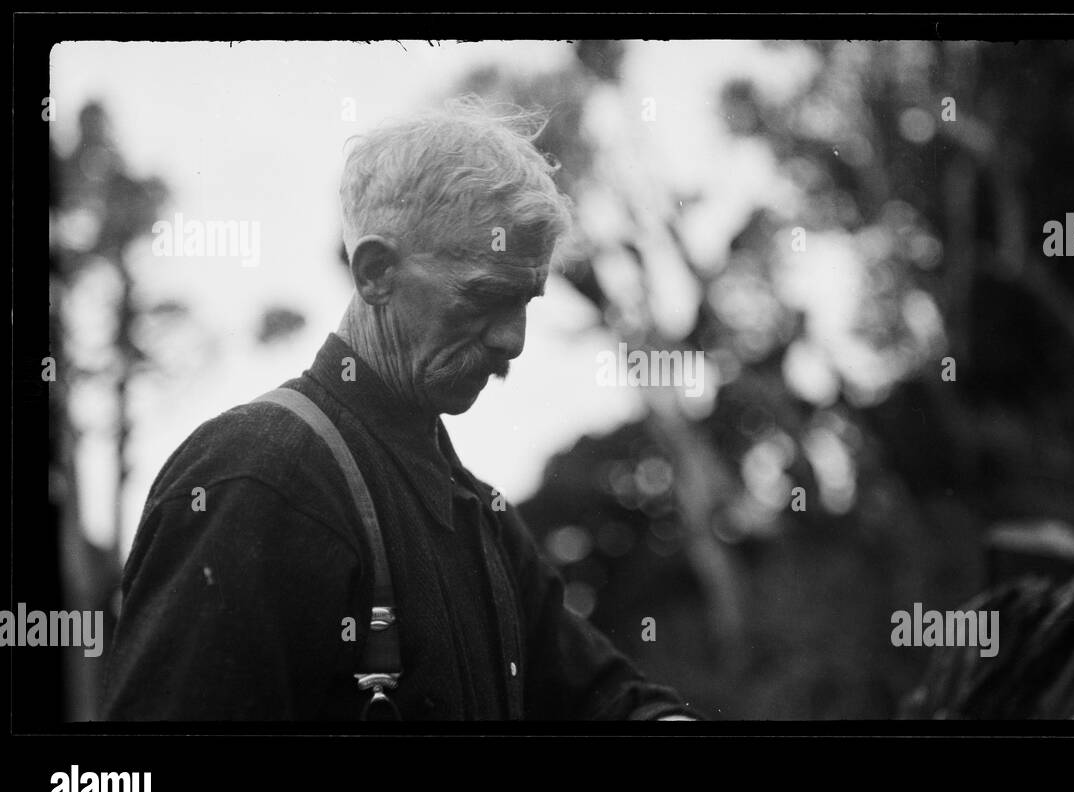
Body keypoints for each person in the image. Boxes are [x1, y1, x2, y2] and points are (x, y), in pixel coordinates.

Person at [102, 99, 698, 722]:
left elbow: (608, 703)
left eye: (527, 300)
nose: (514, 340)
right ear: (375, 273)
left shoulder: (479, 515)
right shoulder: (256, 477)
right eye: (487, 296)